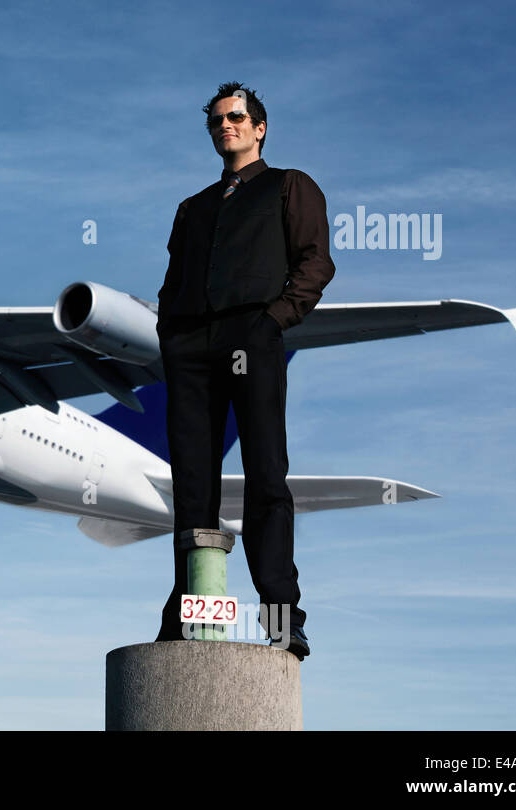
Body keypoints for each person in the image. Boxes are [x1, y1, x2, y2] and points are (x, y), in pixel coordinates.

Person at [154, 82, 335, 660]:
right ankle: (187, 609)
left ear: (259, 128)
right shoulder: (192, 207)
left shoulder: (290, 186)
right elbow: (172, 280)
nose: (224, 126)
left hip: (251, 338)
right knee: (192, 490)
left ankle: (282, 617)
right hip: (190, 348)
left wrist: (273, 321)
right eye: (215, 121)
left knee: (265, 478)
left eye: (235, 117)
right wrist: (171, 336)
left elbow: (316, 262)